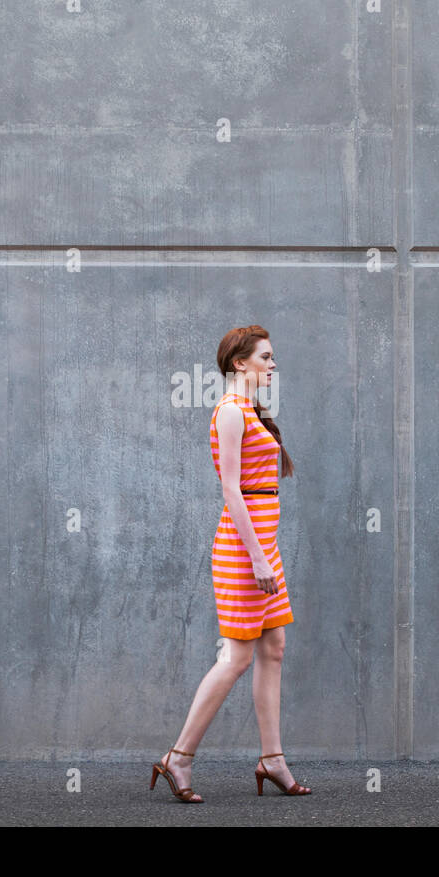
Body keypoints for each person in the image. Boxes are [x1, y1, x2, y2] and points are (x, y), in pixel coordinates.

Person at [149, 325, 311, 802]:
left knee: (274, 646)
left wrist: (268, 554)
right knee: (238, 655)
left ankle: (272, 759)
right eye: (266, 357)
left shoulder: (251, 411)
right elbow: (231, 491)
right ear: (240, 363)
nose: (273, 365)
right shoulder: (229, 412)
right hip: (245, 553)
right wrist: (259, 557)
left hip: (264, 550)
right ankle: (178, 757)